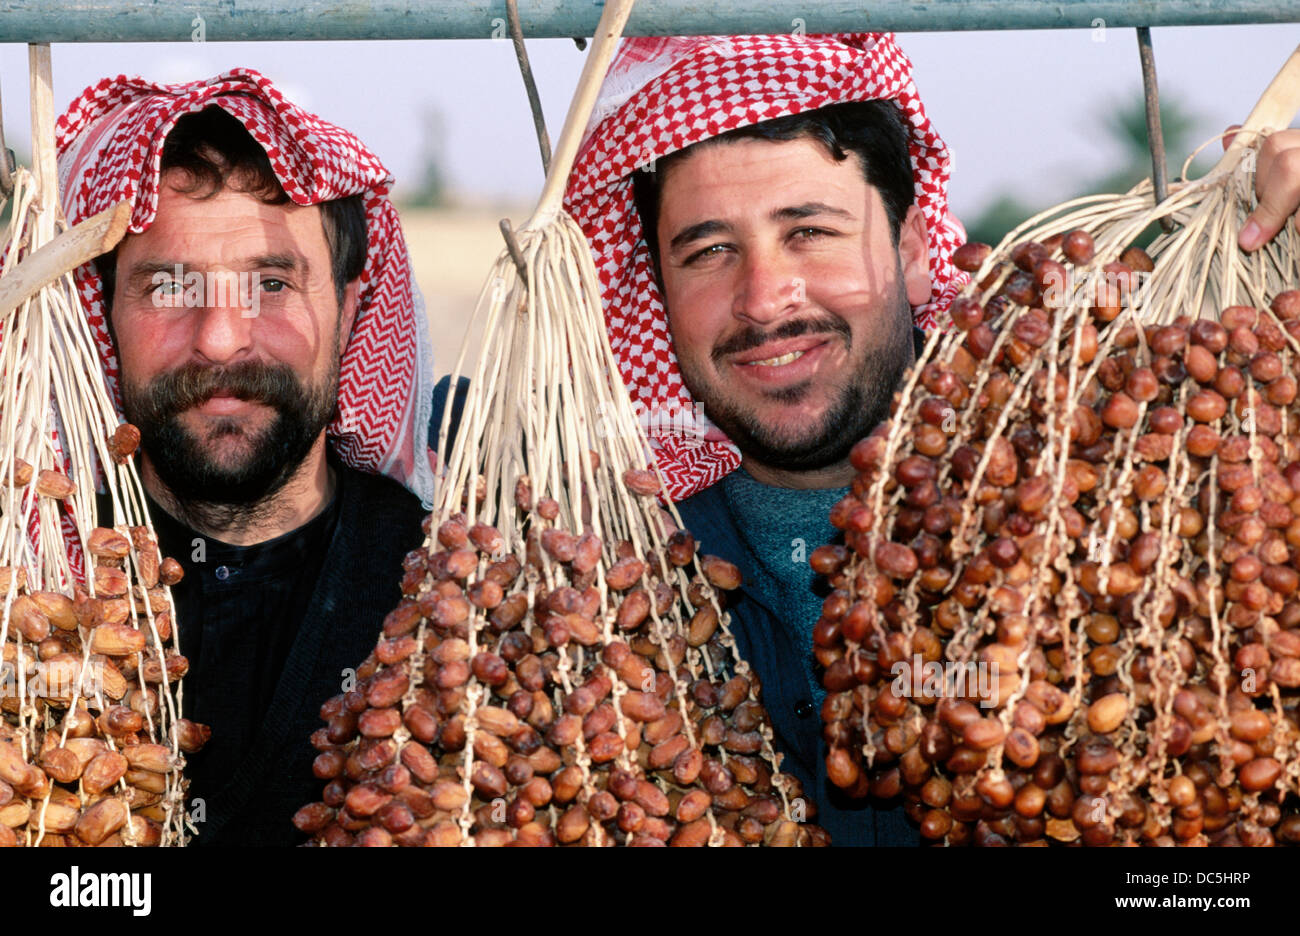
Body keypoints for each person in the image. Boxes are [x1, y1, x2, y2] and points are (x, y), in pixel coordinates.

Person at [562, 33, 1300, 845]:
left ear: (913, 251)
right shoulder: (596, 557)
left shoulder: (1106, 496)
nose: (765, 299)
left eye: (809, 232)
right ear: (653, 288)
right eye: (708, 252)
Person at [56, 69, 437, 846]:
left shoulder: (446, 580)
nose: (221, 338)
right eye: (166, 286)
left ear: (351, 309)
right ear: (105, 318)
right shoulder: (36, 576)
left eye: (270, 282)